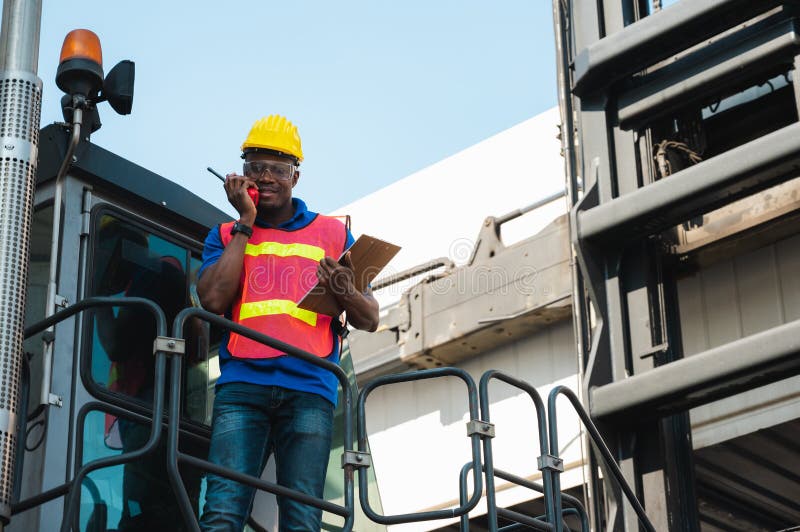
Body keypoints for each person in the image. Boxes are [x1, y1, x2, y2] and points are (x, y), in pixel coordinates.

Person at [196, 114, 379, 531]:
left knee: (301, 519)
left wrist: (346, 289)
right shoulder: (225, 234)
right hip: (242, 387)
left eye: (278, 169)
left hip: (309, 389)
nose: (267, 176)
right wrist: (245, 221)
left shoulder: (334, 234)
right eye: (256, 167)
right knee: (221, 512)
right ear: (241, 176)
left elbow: (369, 317)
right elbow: (211, 299)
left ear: (295, 175)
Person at [92, 217, 203, 531]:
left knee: (142, 516)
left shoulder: (155, 273)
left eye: (100, 256)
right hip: (159, 417)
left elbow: (115, 344)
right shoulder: (160, 278)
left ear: (116, 248)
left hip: (153, 419)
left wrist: (96, 295)